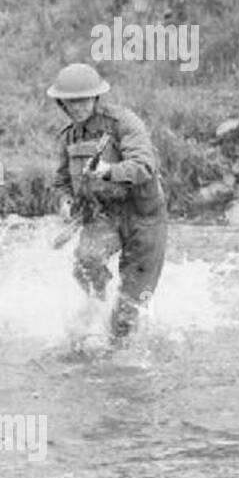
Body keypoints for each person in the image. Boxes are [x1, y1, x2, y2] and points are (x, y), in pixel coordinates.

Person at [47, 62, 167, 342]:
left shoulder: (124, 123)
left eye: (83, 100)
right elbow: (61, 181)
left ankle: (126, 332)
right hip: (105, 216)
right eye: (70, 102)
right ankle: (97, 309)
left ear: (96, 97)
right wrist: (64, 200)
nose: (77, 107)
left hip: (144, 218)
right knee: (85, 263)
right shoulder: (70, 136)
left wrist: (109, 171)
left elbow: (144, 165)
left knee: (127, 315)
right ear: (62, 104)